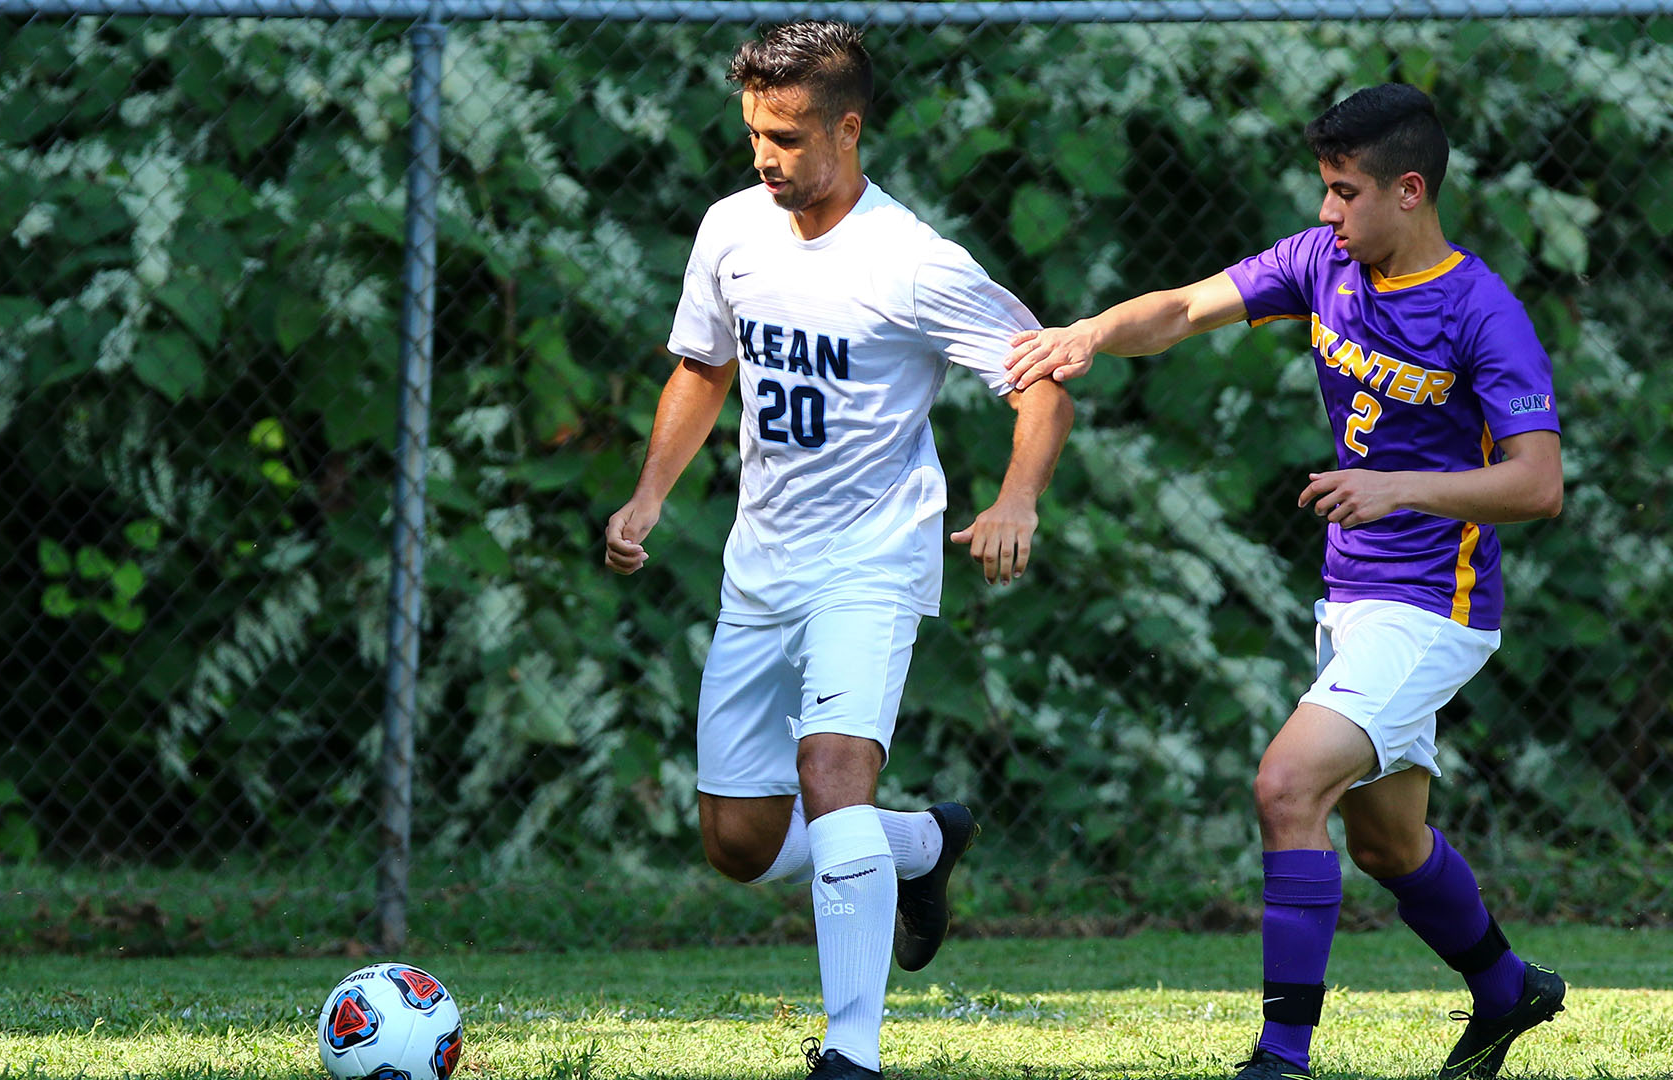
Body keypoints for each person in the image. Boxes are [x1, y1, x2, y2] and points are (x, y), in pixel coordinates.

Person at [1006, 83, 1564, 1080]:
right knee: (1392, 846)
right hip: (1353, 604)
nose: (1324, 213)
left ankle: (1281, 1056)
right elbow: (1181, 307)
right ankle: (1508, 988)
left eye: (1343, 193)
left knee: (1286, 785)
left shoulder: (1484, 312)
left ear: (1408, 190)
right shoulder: (1323, 264)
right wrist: (1090, 331)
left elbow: (1538, 482)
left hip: (1435, 609)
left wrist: (1403, 489)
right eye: (1322, 190)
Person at [603, 20, 1072, 1080]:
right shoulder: (731, 230)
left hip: (874, 557)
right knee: (739, 843)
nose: (764, 157)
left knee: (833, 775)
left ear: (848, 129)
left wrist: (1016, 502)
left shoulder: (914, 263)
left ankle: (848, 1054)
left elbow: (1041, 382)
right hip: (760, 565)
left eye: (786, 137)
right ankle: (919, 846)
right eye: (753, 134)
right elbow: (702, 368)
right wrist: (649, 497)